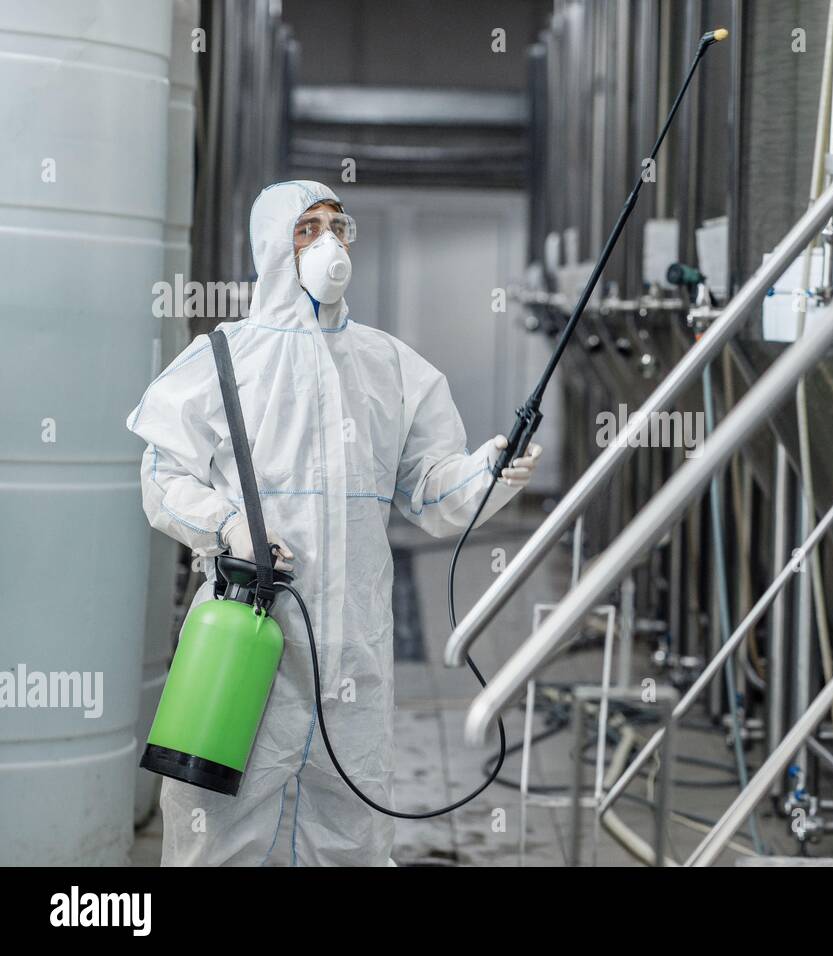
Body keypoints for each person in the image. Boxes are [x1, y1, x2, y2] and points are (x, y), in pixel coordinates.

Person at [126, 180, 541, 866]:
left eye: (338, 228)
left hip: (354, 656)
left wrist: (483, 474)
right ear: (271, 246)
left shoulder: (388, 365)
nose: (328, 244)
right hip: (245, 646)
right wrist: (228, 525)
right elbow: (161, 477)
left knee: (349, 837)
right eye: (307, 228)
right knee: (216, 836)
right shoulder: (223, 359)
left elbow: (432, 495)